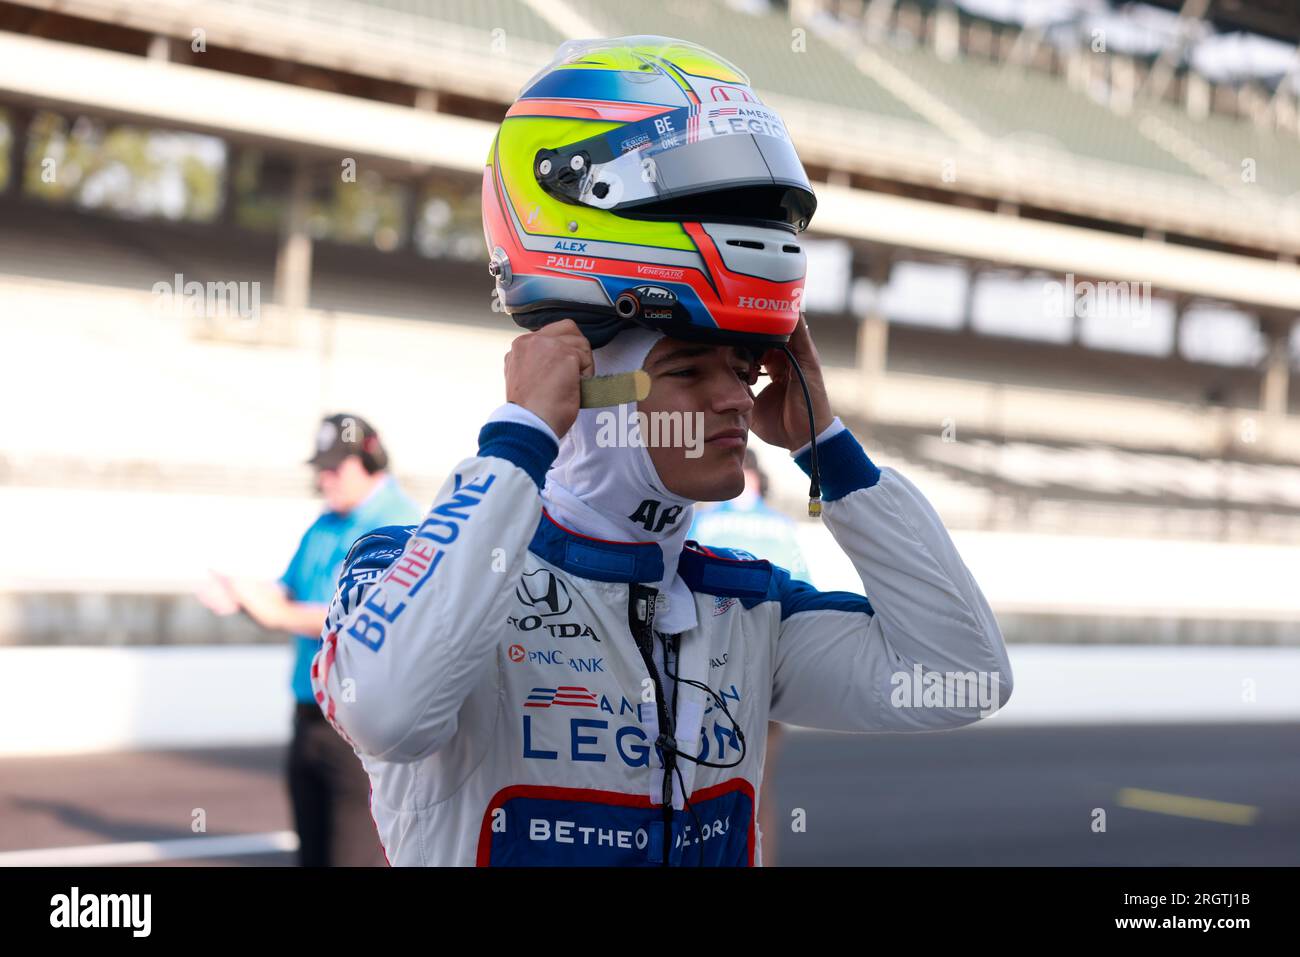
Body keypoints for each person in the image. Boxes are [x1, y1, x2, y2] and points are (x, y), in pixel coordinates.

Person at [311, 36, 1013, 866]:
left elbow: (966, 674)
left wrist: (830, 449)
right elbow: (388, 711)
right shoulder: (404, 565)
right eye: (685, 369)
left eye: (743, 369)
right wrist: (519, 437)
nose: (734, 401)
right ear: (579, 387)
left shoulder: (746, 609)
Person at [200, 413, 419, 866]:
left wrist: (275, 612)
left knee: (353, 859)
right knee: (313, 856)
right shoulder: (325, 523)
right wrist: (243, 595)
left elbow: (361, 619)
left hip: (360, 730)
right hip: (310, 718)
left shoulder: (399, 525)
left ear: (370, 460)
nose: (325, 478)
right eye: (322, 466)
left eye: (336, 466)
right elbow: (288, 589)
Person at [688, 450, 812, 865]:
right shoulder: (780, 526)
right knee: (756, 786)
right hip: (767, 666)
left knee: (693, 786)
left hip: (706, 672)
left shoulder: (700, 520)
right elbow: (802, 596)